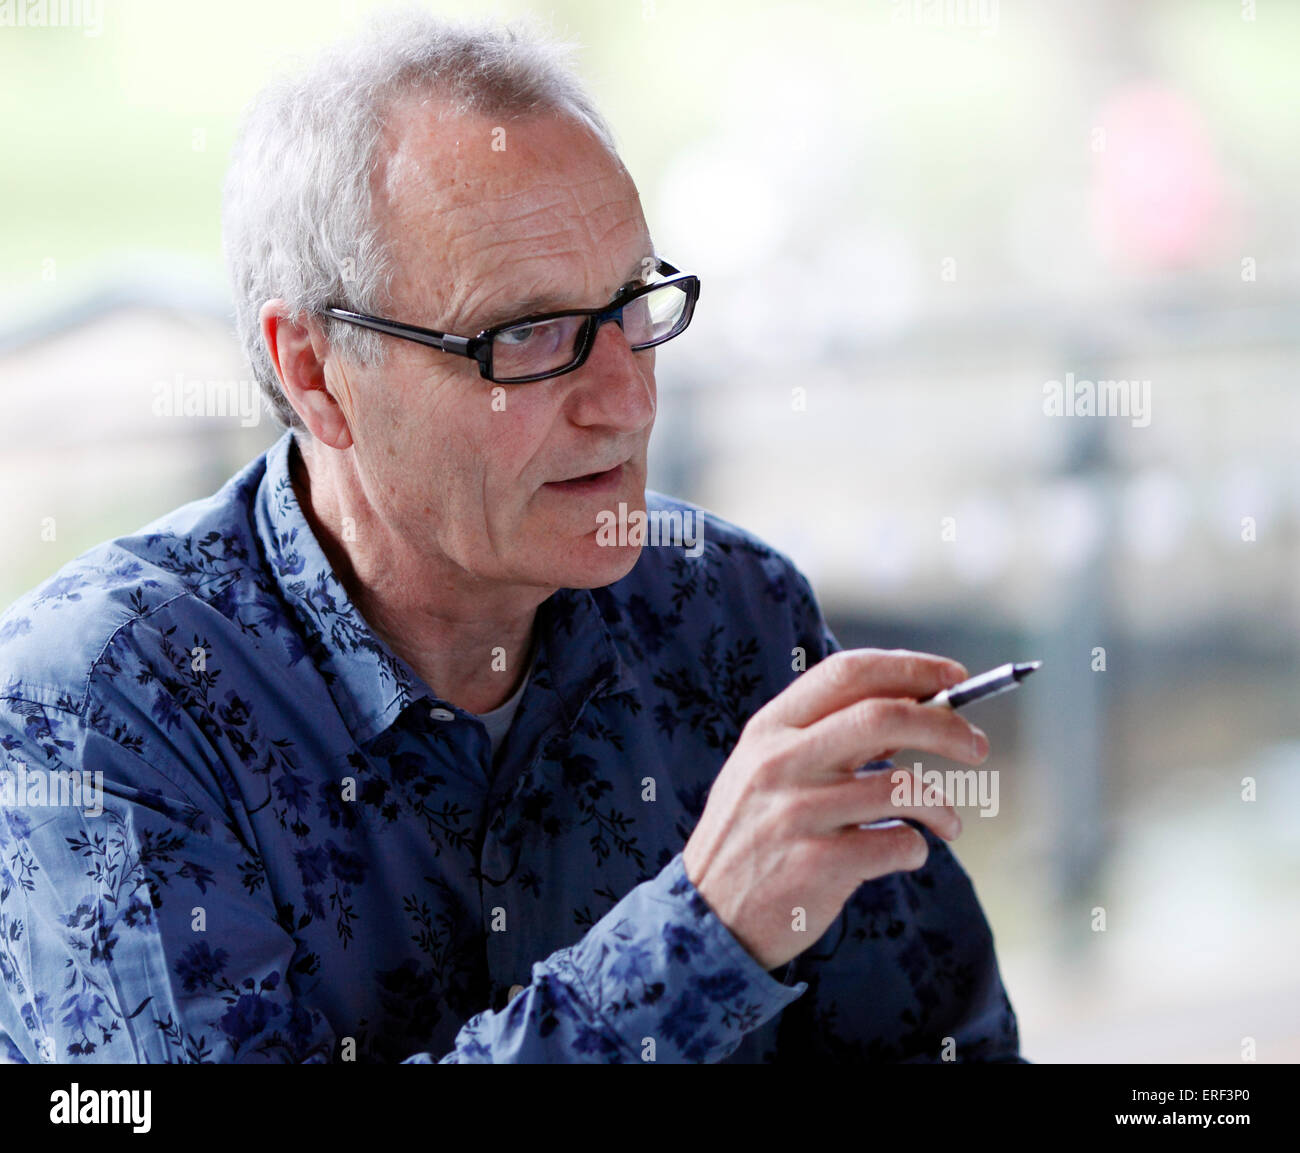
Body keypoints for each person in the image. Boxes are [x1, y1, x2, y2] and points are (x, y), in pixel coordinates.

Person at [0, 10, 1021, 1063]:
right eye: (527, 334)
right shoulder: (96, 708)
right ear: (315, 371)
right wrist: (706, 935)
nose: (628, 401)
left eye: (633, 302)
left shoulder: (731, 610)